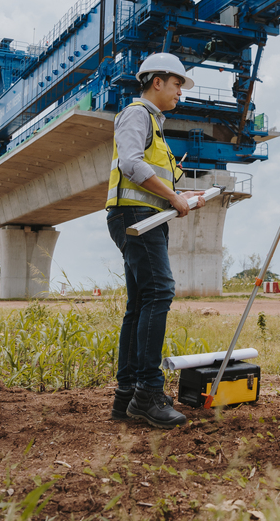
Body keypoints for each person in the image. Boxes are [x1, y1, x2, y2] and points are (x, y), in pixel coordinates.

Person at [107, 52, 208, 429]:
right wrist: (171, 197)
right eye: (179, 83)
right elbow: (131, 163)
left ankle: (127, 396)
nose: (181, 91)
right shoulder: (138, 114)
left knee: (139, 304)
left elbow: (151, 177)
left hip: (144, 217)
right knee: (159, 293)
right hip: (137, 219)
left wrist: (184, 198)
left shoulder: (153, 123)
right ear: (157, 81)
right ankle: (147, 393)